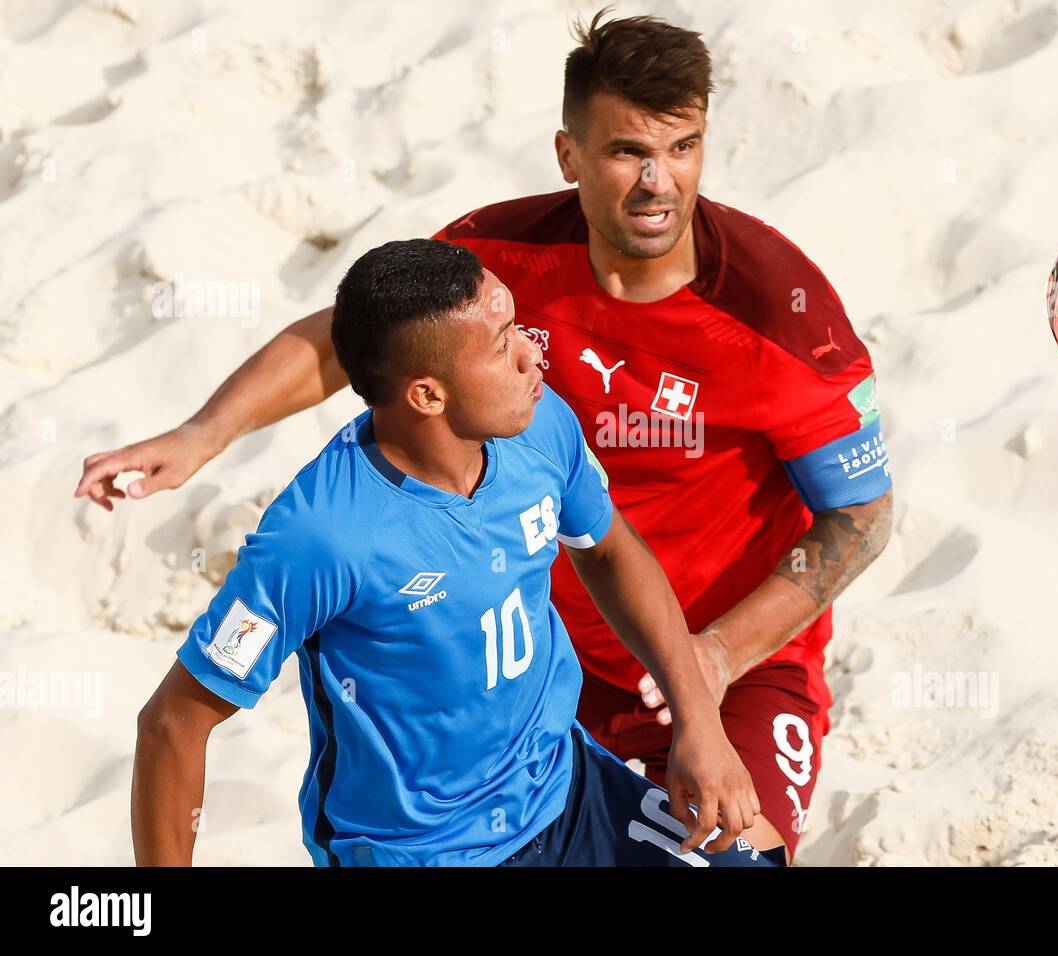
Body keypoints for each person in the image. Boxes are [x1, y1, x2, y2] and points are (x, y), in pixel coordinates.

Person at [85, 10, 893, 862]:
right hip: (540, 670)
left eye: (683, 146)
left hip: (730, 664)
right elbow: (360, 335)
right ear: (569, 155)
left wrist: (712, 662)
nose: (660, 181)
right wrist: (202, 435)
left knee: (750, 850)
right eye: (627, 151)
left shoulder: (780, 313)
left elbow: (864, 516)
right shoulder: (495, 270)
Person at [132, 239, 780, 867]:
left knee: (764, 855)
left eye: (520, 329)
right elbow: (172, 723)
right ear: (427, 395)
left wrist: (700, 724)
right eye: (503, 347)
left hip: (564, 786)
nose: (534, 356)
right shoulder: (319, 538)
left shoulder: (540, 422)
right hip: (423, 850)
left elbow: (608, 550)